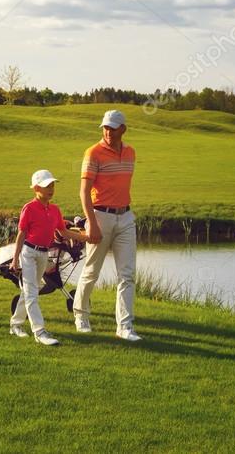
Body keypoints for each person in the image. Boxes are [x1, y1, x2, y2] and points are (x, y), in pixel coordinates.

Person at [73, 109, 141, 341]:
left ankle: (125, 326)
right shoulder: (93, 153)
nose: (108, 132)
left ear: (123, 129)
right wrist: (91, 223)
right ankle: (81, 316)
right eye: (105, 127)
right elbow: (84, 191)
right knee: (92, 271)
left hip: (126, 217)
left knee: (127, 275)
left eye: (113, 128)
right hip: (100, 216)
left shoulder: (131, 153)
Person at [10, 169, 84, 345]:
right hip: (28, 253)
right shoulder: (28, 208)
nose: (51, 189)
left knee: (30, 291)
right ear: (36, 188)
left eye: (52, 185)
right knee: (31, 293)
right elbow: (21, 235)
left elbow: (64, 232)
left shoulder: (55, 210)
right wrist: (15, 259)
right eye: (46, 186)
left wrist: (86, 237)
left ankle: (15, 325)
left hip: (44, 254)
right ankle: (40, 331)